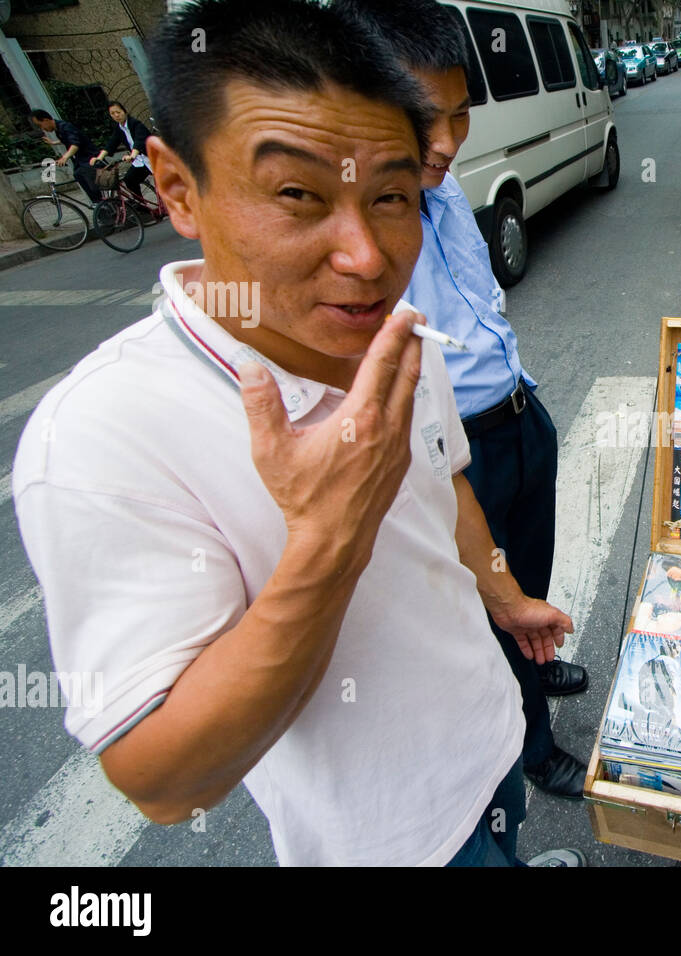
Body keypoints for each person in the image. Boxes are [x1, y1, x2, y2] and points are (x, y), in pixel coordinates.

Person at [13, 0, 581, 867]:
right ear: (177, 188)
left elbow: (446, 479)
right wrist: (327, 542)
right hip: (392, 839)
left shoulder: (398, 333)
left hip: (488, 743)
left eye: (390, 195)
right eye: (296, 194)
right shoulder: (99, 434)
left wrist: (502, 596)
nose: (363, 254)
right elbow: (163, 781)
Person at [335, 0, 591, 801]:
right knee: (481, 608)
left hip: (521, 422)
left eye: (460, 114)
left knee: (524, 587)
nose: (445, 141)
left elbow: (481, 317)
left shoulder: (444, 195)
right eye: (422, 120)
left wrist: (528, 406)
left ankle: (536, 661)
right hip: (455, 459)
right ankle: (532, 750)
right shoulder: (359, 238)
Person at [29, 109, 101, 205]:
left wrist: (64, 157)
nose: (42, 129)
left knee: (88, 180)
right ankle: (99, 205)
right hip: (81, 161)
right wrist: (53, 143)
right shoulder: (59, 129)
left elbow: (75, 144)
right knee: (78, 174)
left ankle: (103, 204)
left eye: (40, 125)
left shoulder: (65, 126)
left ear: (46, 120)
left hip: (90, 158)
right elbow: (66, 140)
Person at [91, 102, 155, 199]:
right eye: (112, 113)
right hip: (140, 161)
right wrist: (99, 157)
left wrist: (132, 155)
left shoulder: (136, 124)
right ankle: (142, 207)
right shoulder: (119, 128)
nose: (116, 115)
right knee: (130, 180)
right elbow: (111, 143)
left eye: (118, 112)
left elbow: (139, 141)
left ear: (124, 111)